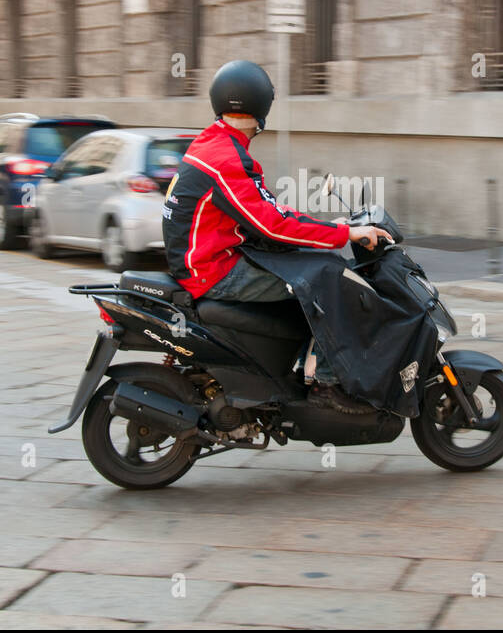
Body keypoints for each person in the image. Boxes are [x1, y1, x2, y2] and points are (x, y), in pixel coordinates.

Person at [162, 60, 391, 409]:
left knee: (311, 262)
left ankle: (297, 367)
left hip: (212, 258)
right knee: (329, 277)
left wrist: (336, 227)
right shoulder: (227, 158)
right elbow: (272, 224)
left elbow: (266, 213)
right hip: (214, 269)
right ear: (260, 106)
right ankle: (328, 386)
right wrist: (346, 233)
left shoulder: (212, 143)